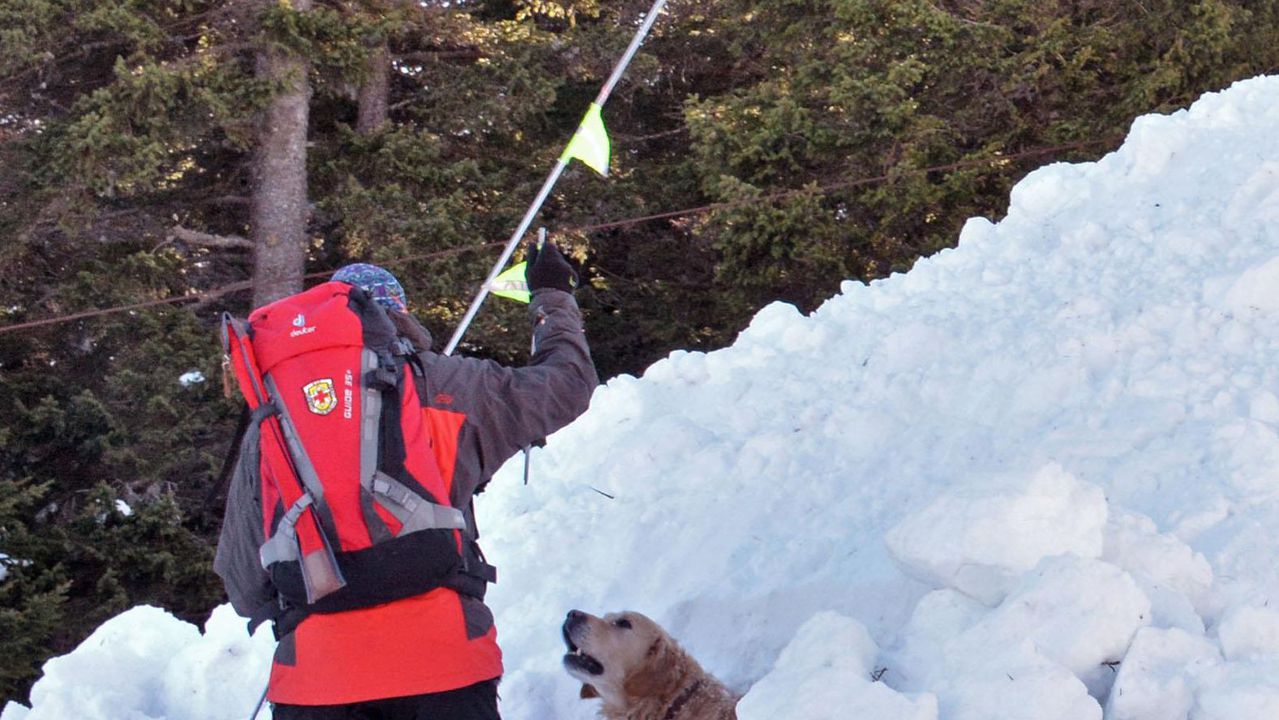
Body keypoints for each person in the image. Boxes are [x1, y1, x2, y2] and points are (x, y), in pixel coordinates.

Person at [214, 240, 598, 719]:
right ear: (397, 316)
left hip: (316, 682)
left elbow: (245, 585)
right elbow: (567, 385)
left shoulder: (272, 422)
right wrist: (551, 295)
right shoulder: (448, 386)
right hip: (447, 665)